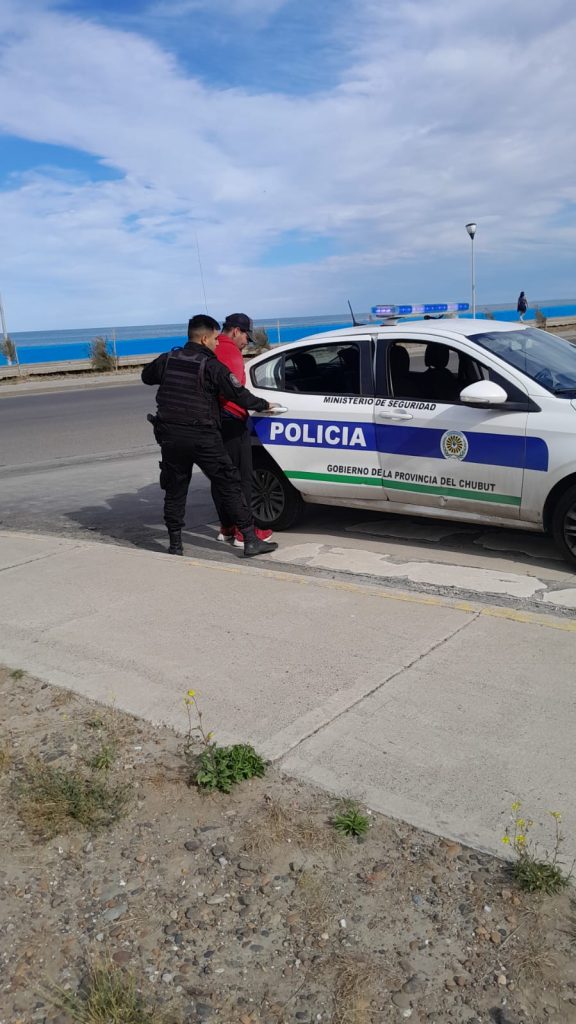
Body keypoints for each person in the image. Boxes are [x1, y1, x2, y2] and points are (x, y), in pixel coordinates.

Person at [142, 314, 278, 558]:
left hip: (171, 437)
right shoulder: (211, 366)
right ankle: (249, 539)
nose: (218, 343)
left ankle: (175, 545)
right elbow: (239, 395)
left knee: (175, 489)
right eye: (215, 339)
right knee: (230, 483)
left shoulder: (168, 359)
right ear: (204, 339)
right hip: (203, 437)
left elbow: (146, 376)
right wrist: (263, 403)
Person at [212, 313, 273, 548]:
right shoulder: (230, 351)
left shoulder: (212, 347)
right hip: (231, 421)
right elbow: (235, 392)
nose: (247, 341)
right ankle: (243, 532)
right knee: (241, 479)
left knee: (221, 477)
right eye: (247, 335)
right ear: (236, 331)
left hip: (212, 423)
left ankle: (227, 528)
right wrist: (262, 404)